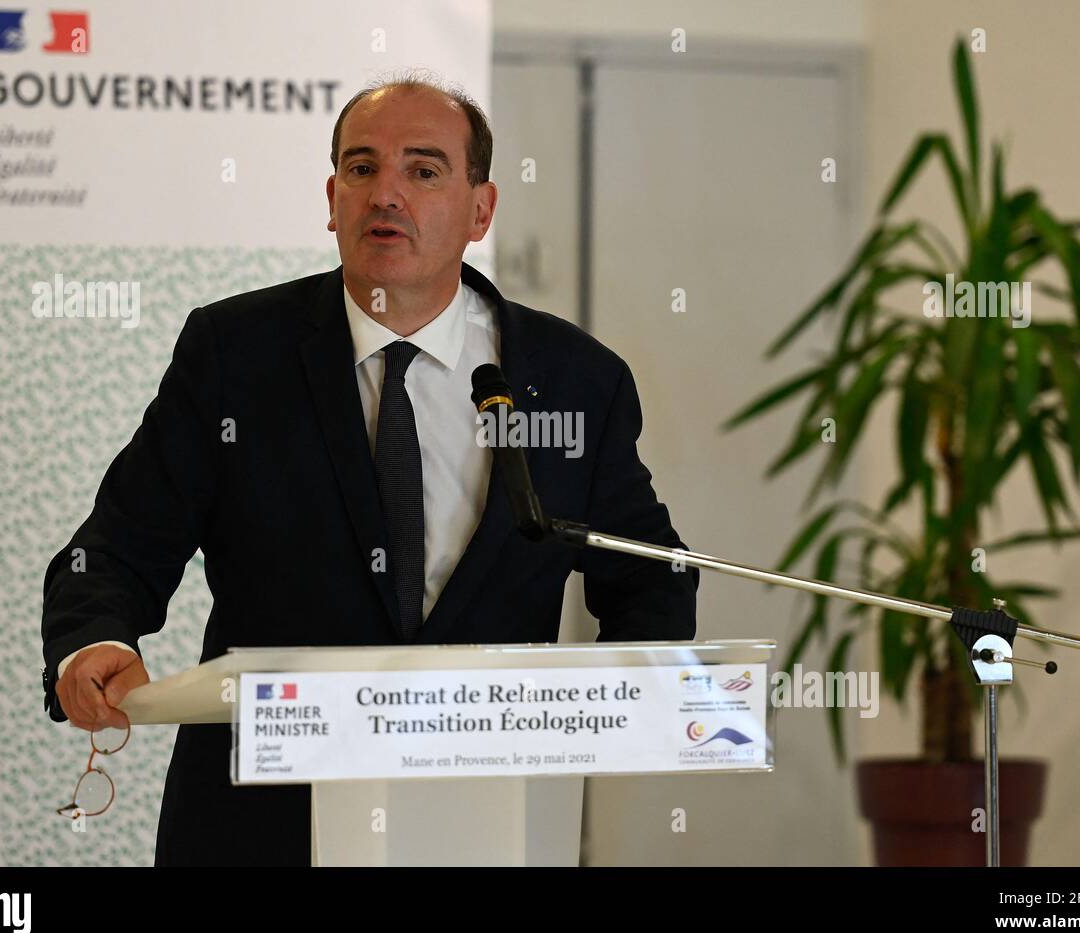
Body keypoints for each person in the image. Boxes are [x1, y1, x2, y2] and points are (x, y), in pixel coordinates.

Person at [41, 73, 698, 865]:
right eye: (362, 168)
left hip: (487, 814)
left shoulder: (574, 381)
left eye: (423, 170)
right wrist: (93, 641)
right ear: (331, 198)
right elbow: (116, 547)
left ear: (481, 209)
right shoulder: (237, 355)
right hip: (260, 822)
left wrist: (605, 711)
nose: (386, 192)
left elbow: (649, 579)